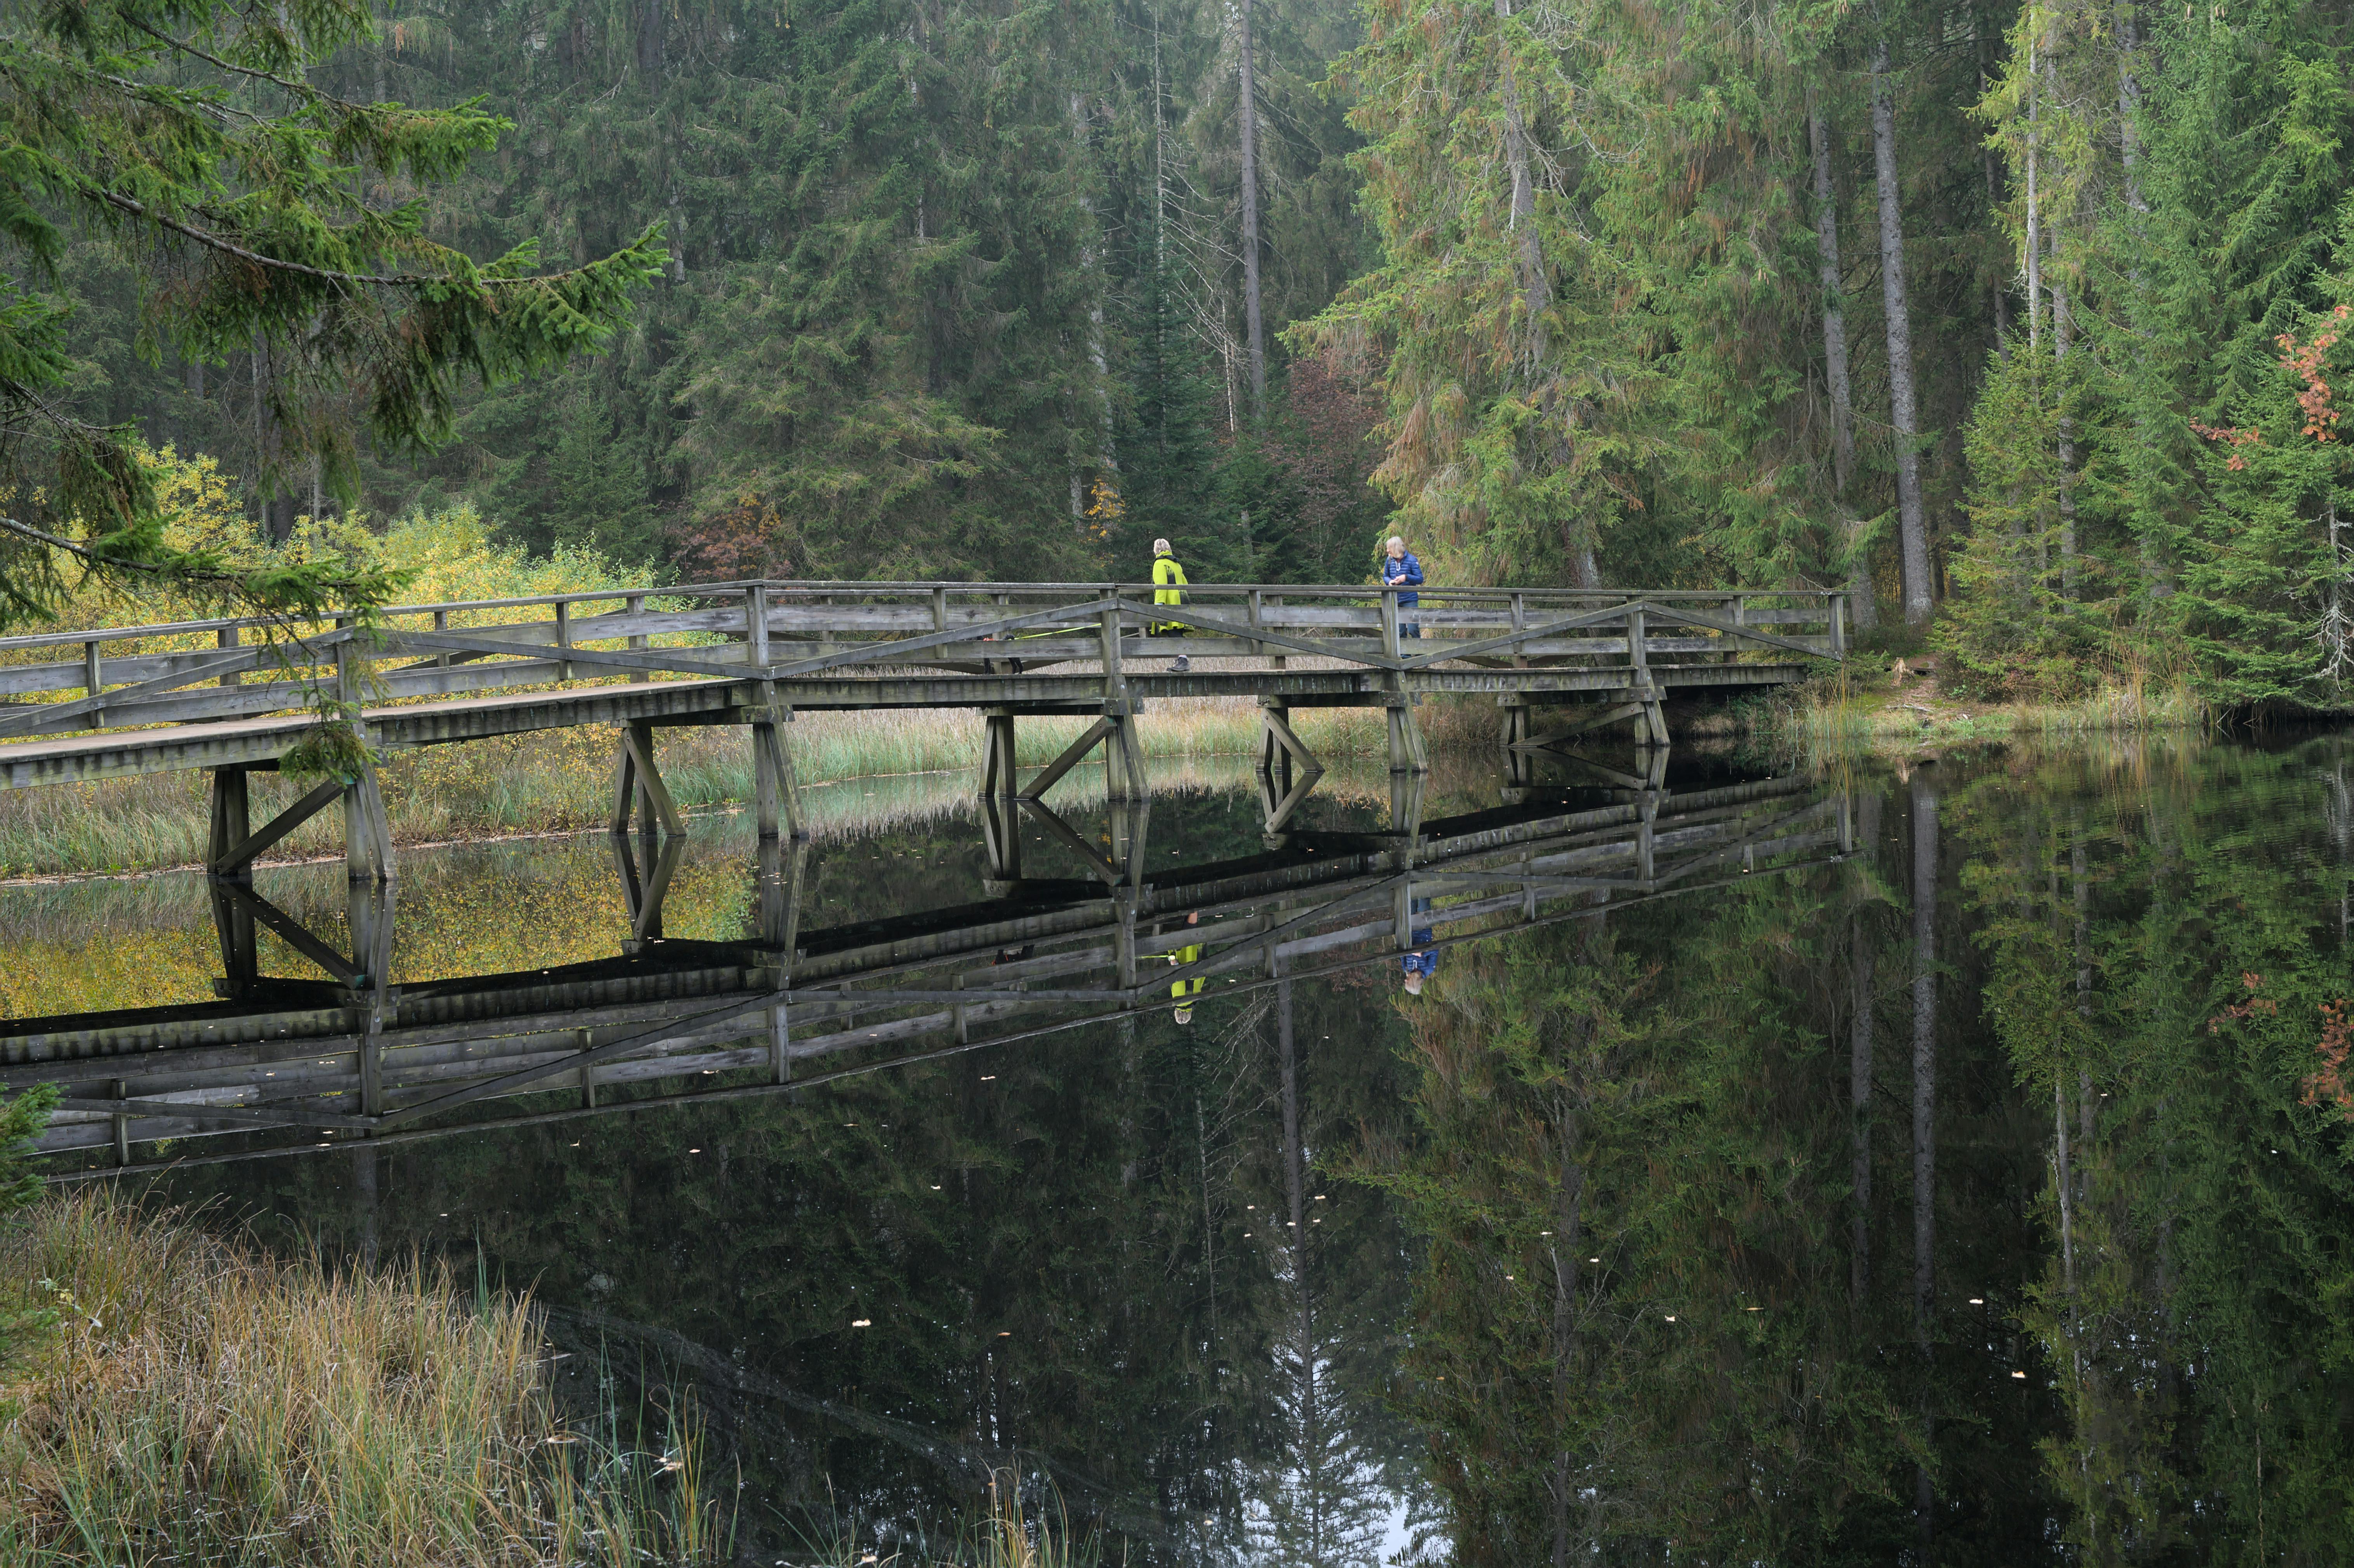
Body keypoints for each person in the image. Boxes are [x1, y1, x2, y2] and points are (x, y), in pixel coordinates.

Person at [1151, 538, 1191, 673]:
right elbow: (1185, 584)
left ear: (1156, 550)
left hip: (1171, 602)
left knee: (1173, 630)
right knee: (1177, 631)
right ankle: (1182, 658)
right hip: (1183, 600)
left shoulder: (1160, 563)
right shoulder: (1176, 564)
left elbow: (1161, 585)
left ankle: (1183, 660)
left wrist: (1158, 605)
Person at [1382, 536, 1424, 640]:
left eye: (1389, 548)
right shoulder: (1389, 561)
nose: (1387, 551)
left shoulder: (1412, 560)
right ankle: (1405, 656)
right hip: (1395, 600)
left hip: (1410, 600)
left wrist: (1406, 578)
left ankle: (1419, 653)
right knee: (1400, 632)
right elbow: (1385, 576)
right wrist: (1390, 582)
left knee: (1413, 629)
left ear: (1396, 548)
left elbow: (1420, 579)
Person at [1170, 911, 1205, 1022]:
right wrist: (1172, 960)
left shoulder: (1196, 998)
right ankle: (1195, 906)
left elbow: (1203, 978)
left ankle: (1194, 909)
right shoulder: (1178, 1000)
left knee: (1192, 929)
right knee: (1189, 928)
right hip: (1185, 956)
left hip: (1197, 956)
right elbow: (1177, 978)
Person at [1401, 895, 1437, 996]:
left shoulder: (1406, 968)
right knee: (1423, 899)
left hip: (1410, 929)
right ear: (1414, 983)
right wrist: (1422, 954)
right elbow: (1436, 950)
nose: (1405, 979)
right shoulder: (1429, 968)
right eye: (1408, 981)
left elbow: (1400, 952)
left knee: (1410, 898)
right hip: (1424, 927)